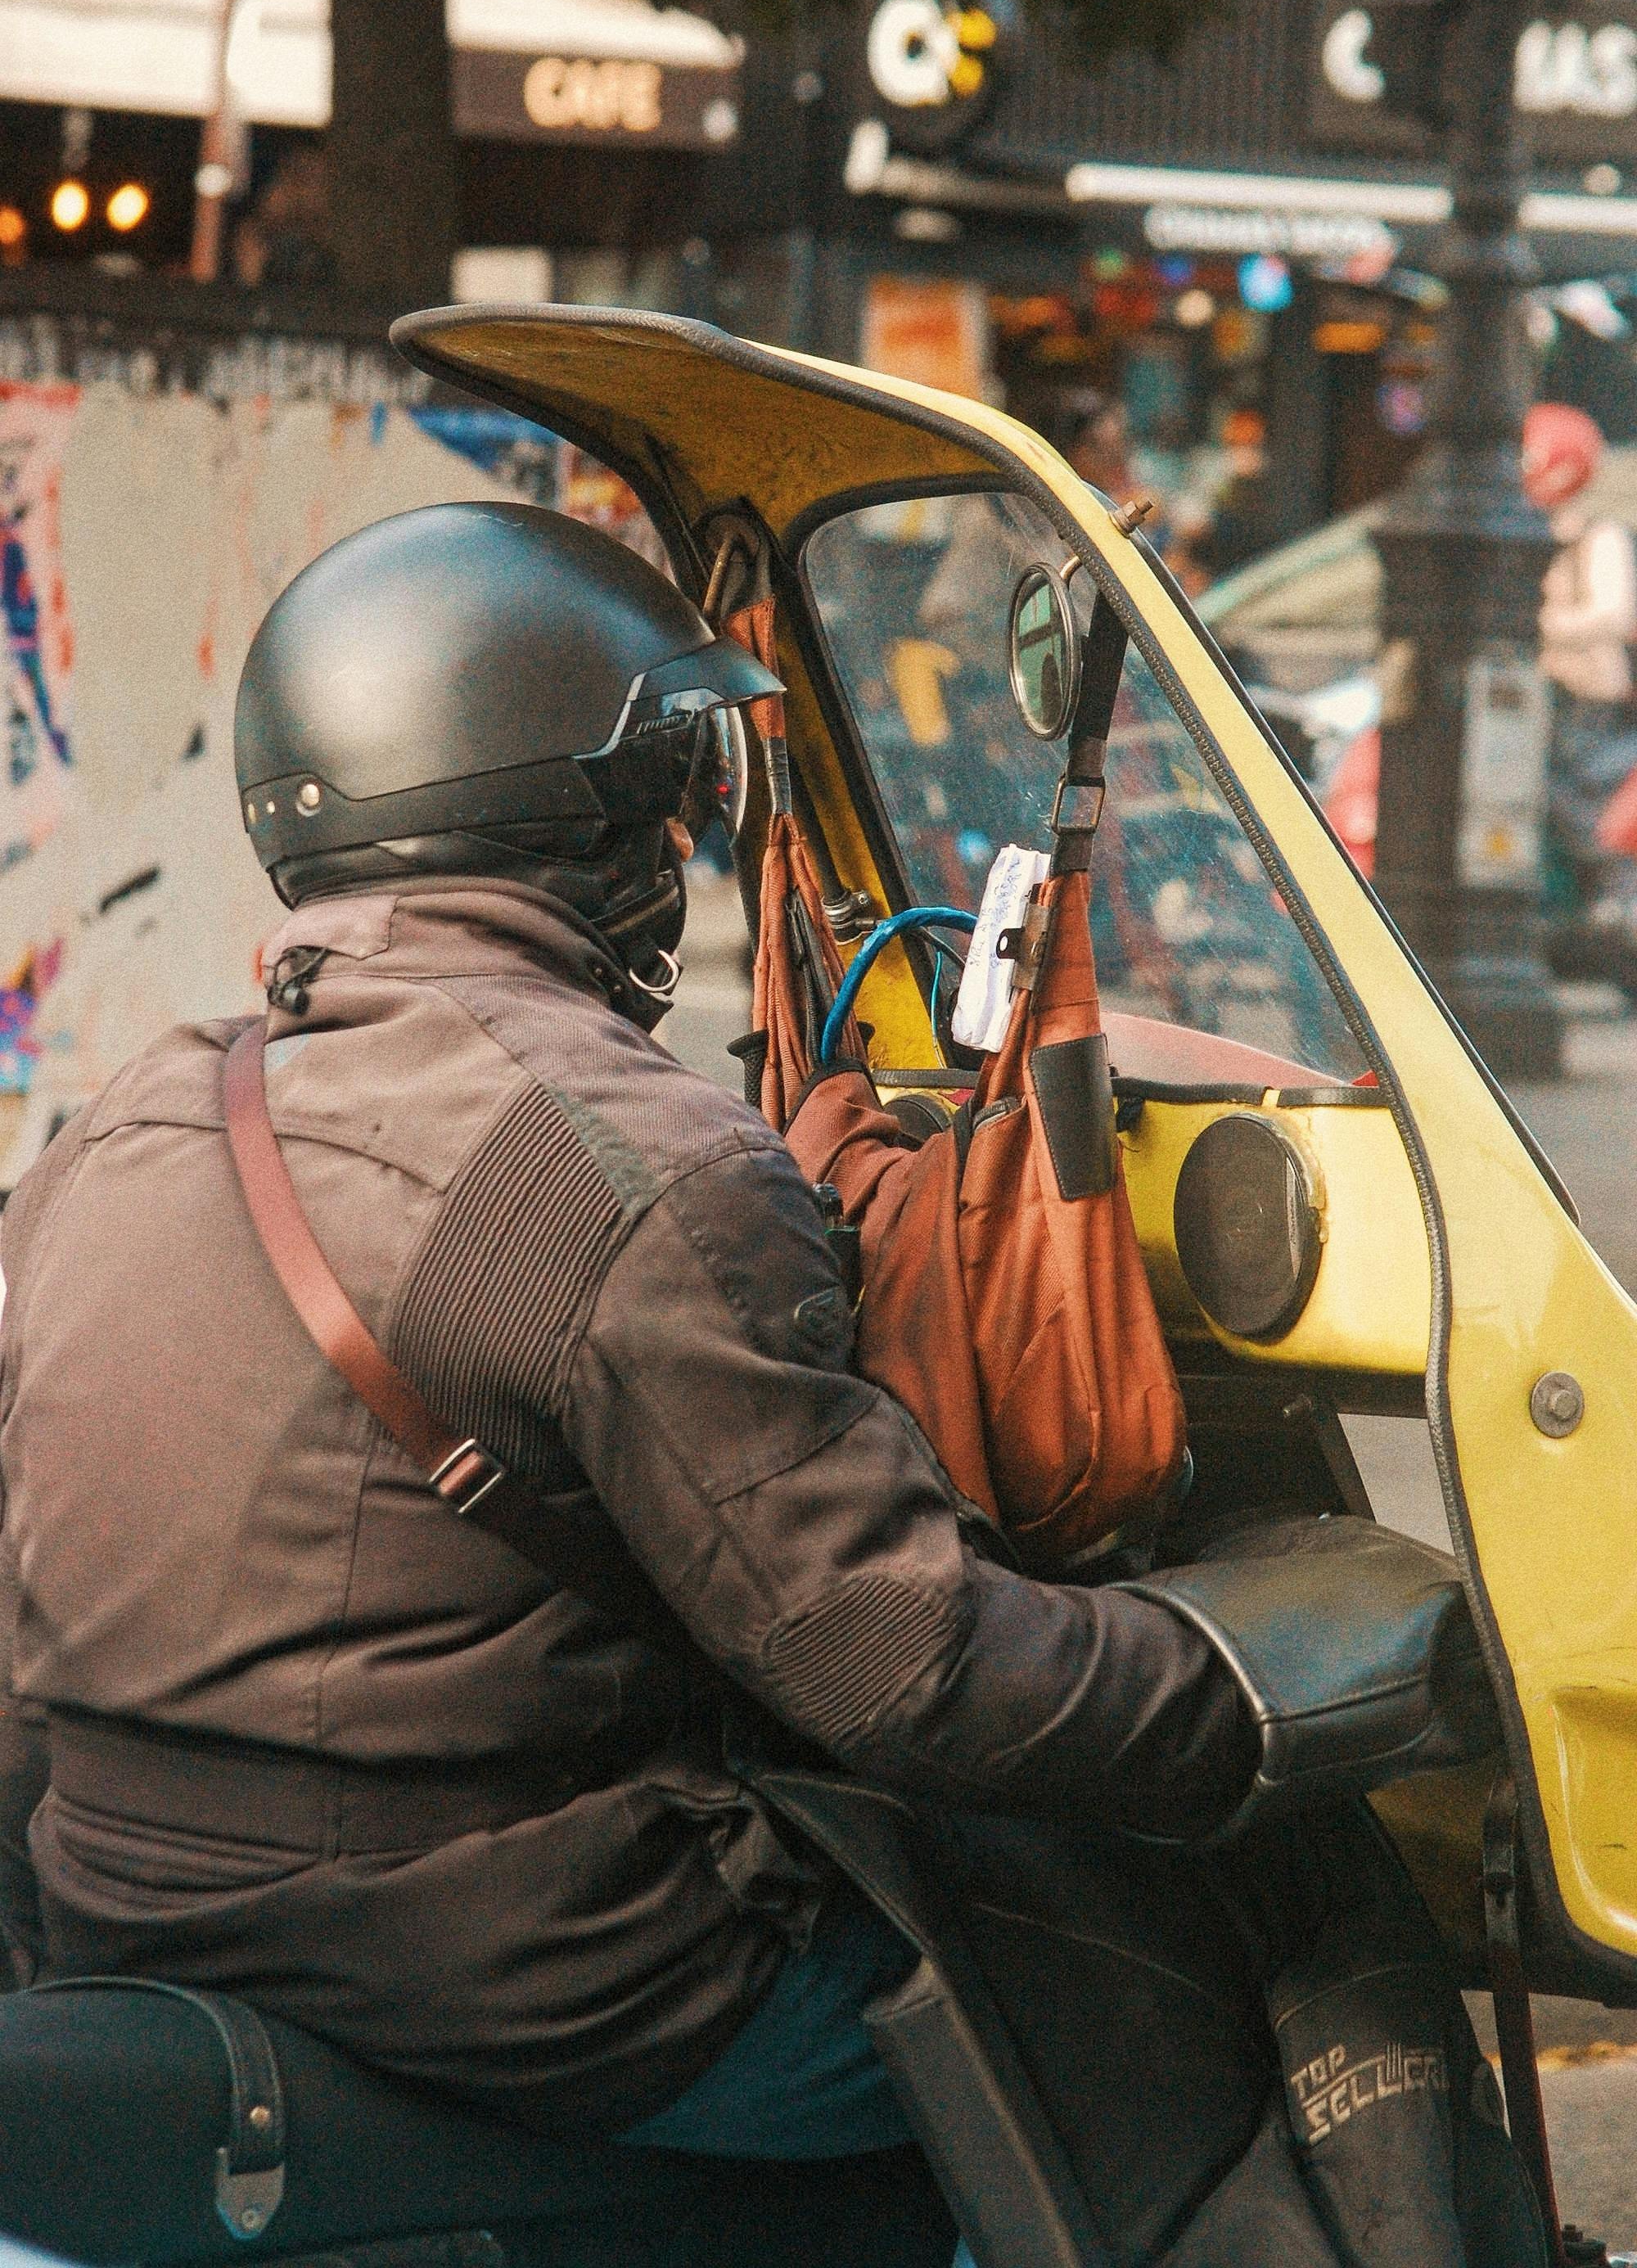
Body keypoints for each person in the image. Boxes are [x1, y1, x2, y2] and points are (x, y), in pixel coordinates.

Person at [0, 503, 1537, 2266]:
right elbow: (910, 1673)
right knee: (1140, 1992)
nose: (683, 838)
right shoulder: (631, 1160)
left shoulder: (116, 1130)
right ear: (594, 819)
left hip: (126, 1911)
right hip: (539, 1972)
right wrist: (1262, 1689)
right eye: (670, 790)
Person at [1527, 403, 1637, 963]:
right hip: (1539, 699)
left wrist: (1542, 627)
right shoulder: (1530, 530)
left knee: (1586, 813)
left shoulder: (1597, 536)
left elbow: (1614, 614)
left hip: (1587, 703)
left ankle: (1612, 917)